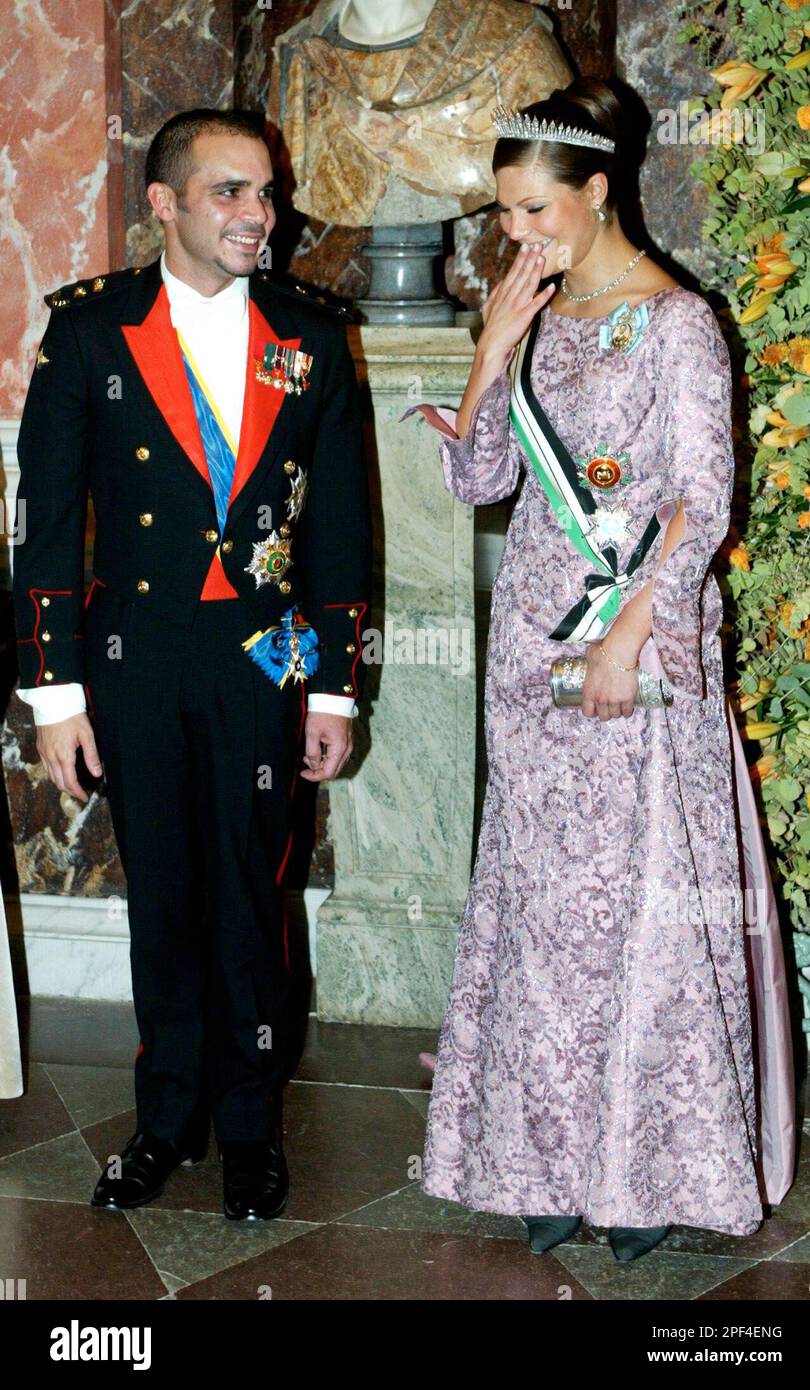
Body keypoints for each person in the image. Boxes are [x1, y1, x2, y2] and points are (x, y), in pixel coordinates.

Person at [406, 78, 795, 1263]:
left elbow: (703, 500)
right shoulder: (526, 311)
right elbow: (476, 483)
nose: (514, 234)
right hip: (528, 639)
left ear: (596, 192)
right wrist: (489, 351)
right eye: (504, 212)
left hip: (641, 633)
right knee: (542, 906)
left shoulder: (677, 322)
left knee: (644, 906)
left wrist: (627, 636)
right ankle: (539, 1154)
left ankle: (647, 1168)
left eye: (533, 210)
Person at [12, 108, 372, 1220]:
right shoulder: (91, 332)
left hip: (266, 654)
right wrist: (56, 695)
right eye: (228, 192)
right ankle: (166, 1118)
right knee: (162, 892)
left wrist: (332, 685)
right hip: (137, 655)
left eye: (265, 193)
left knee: (258, 895)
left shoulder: (306, 333)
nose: (256, 216)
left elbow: (342, 529)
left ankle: (254, 1128)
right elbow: (48, 522)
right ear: (163, 202)